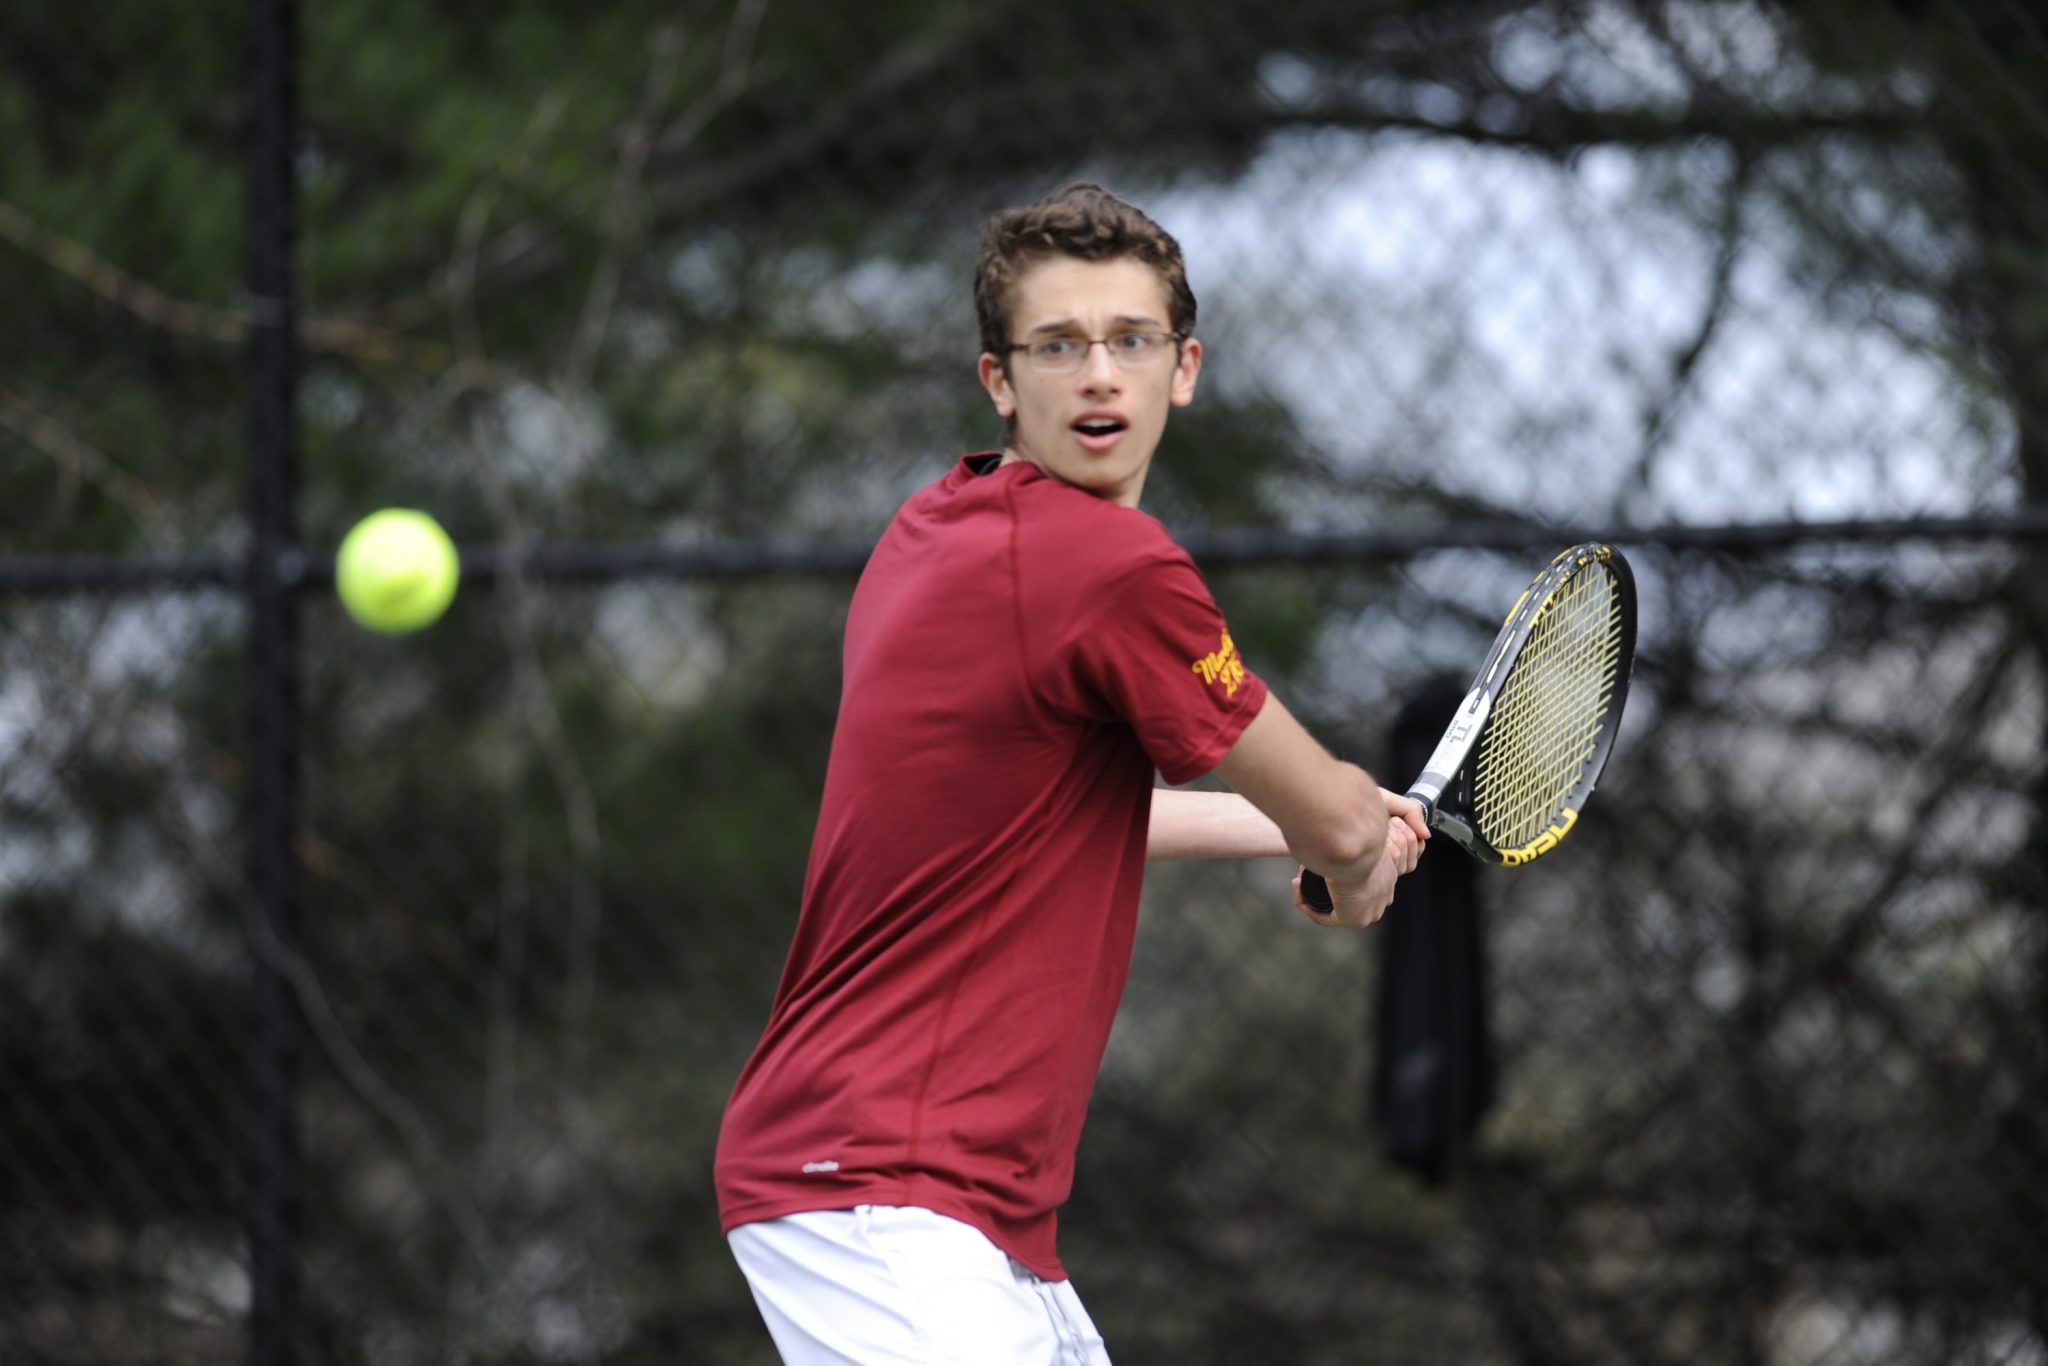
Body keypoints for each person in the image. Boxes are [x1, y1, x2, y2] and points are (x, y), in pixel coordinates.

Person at [715, 183, 1427, 1364]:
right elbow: (1344, 830)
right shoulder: (1109, 567)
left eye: (1128, 341)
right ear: (1000, 380)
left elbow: (1050, 812)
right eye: (1057, 346)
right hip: (876, 1182)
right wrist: (1348, 858)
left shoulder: (933, 528)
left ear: (1180, 368)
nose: (1098, 374)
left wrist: (1289, 830)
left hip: (970, 1214)